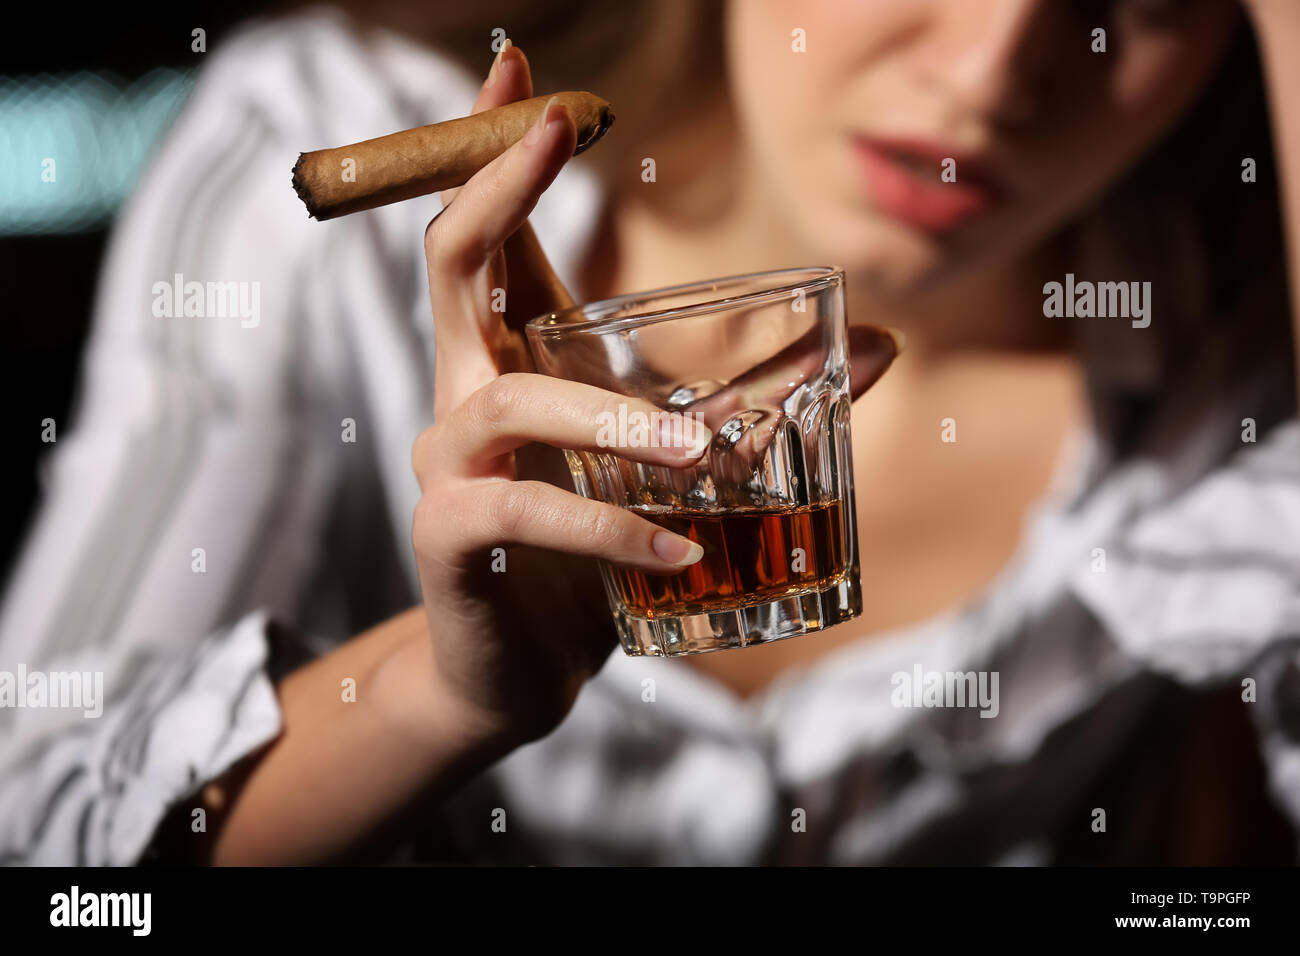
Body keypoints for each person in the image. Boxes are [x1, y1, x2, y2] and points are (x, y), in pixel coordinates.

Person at [3, 0, 1299, 866]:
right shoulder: (319, 133)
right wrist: (438, 696)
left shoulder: (1245, 374)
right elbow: (41, 825)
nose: (990, 77)